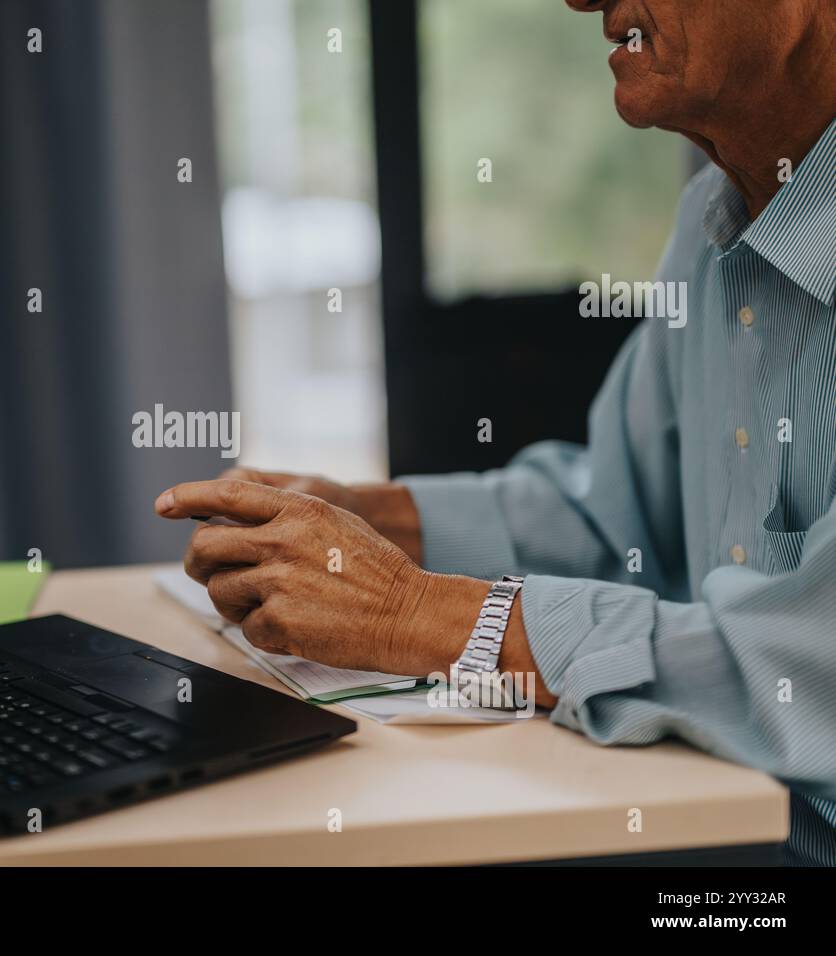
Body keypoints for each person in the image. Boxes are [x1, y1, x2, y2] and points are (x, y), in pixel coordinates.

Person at [156, 0, 836, 864]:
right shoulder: (716, 222)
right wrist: (355, 517)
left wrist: (419, 614)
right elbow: (613, 517)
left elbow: (811, 663)